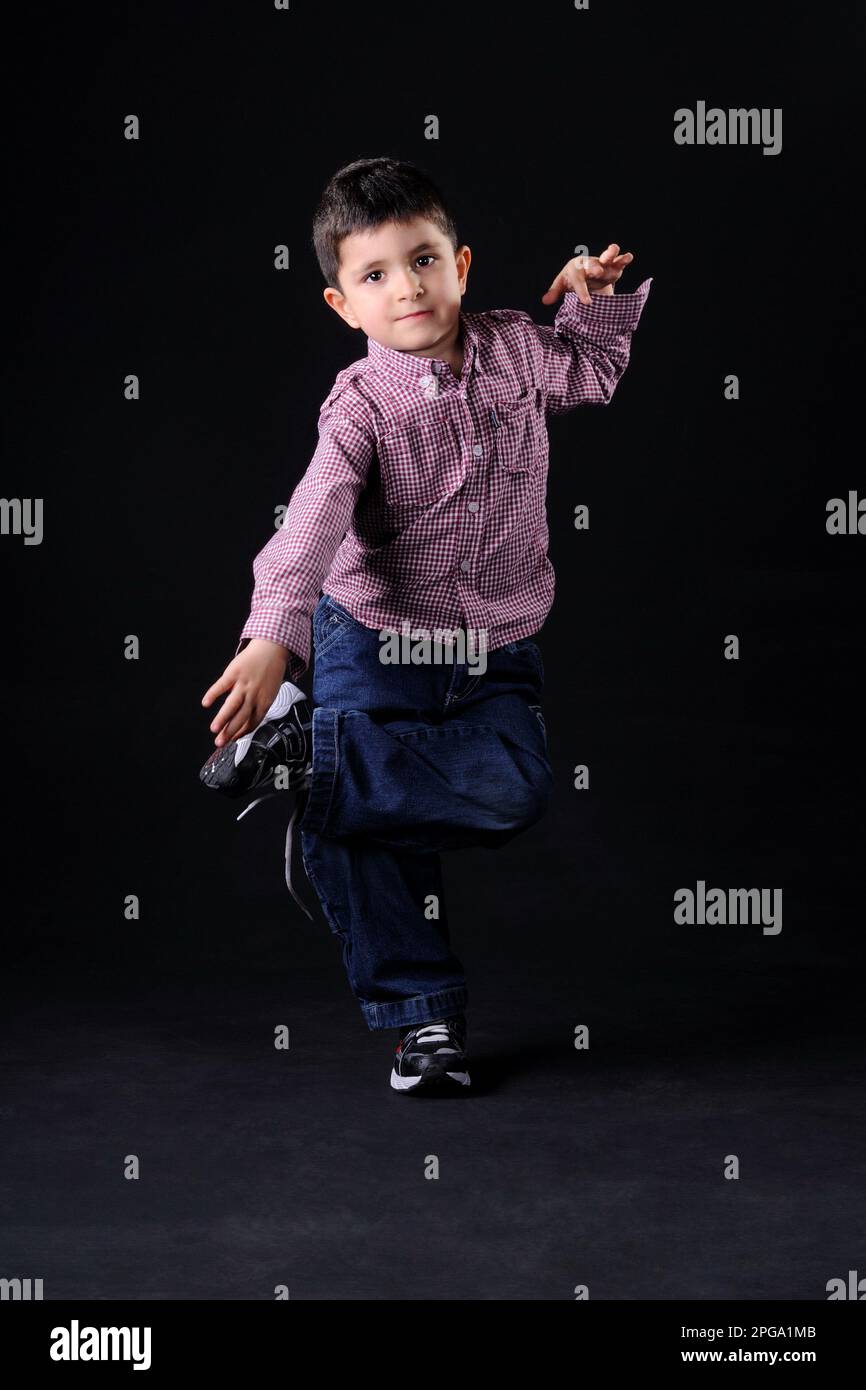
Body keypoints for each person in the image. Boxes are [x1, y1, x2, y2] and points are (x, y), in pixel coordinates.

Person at [199, 155, 653, 1095]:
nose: (406, 287)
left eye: (424, 260)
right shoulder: (358, 409)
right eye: (375, 275)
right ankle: (423, 1024)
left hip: (493, 653)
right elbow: (312, 520)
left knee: (515, 788)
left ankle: (316, 761)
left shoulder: (517, 352)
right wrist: (272, 635)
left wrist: (588, 302)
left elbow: (595, 376)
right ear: (342, 306)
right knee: (369, 839)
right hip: (374, 641)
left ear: (462, 265)